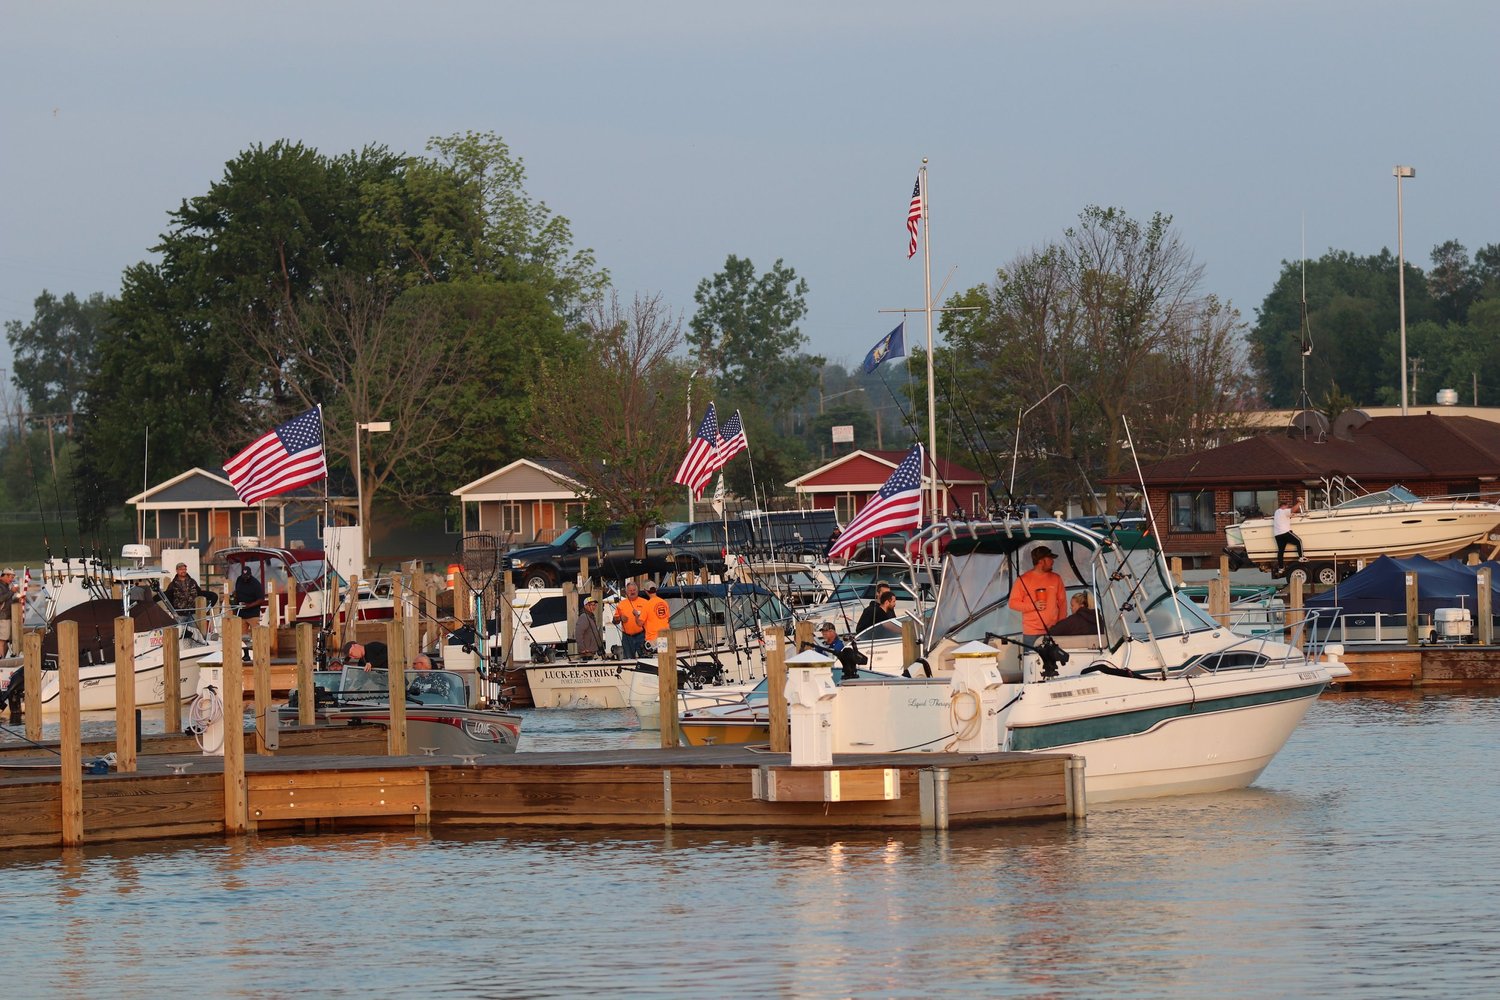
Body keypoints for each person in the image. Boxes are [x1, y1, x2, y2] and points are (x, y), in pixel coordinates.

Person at [1008, 545, 1066, 641]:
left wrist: (1060, 626)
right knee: (1031, 656)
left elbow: (1062, 603)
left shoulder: (1056, 578)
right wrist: (1033, 606)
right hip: (1031, 633)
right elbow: (1012, 603)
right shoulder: (1022, 580)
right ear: (1041, 561)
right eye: (1050, 558)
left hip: (1053, 631)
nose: (1053, 561)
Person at [612, 581, 651, 658]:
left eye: (634, 590)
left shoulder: (645, 603)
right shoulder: (621, 604)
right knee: (627, 659)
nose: (632, 592)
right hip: (627, 637)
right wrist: (620, 618)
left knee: (645, 658)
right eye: (630, 590)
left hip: (642, 635)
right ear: (626, 592)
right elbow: (614, 621)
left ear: (637, 591)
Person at [1272, 497, 1305, 571]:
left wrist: (1292, 515)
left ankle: (1281, 568)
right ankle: (1301, 557)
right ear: (1284, 506)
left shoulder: (1277, 512)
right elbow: (1292, 510)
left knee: (1281, 551)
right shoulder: (1284, 511)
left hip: (1277, 535)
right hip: (1285, 532)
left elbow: (1289, 515)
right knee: (1299, 541)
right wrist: (1300, 502)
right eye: (1287, 506)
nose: (1288, 508)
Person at [644, 583, 670, 648]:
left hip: (653, 640)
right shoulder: (664, 603)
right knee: (664, 656)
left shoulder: (647, 604)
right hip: (665, 636)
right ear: (656, 589)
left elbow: (640, 622)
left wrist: (636, 615)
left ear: (645, 591)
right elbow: (667, 618)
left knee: (657, 657)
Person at [0, 568, 18, 658]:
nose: (12, 579)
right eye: (11, 577)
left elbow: (7, 600)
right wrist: (12, 591)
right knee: (2, 639)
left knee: (5, 639)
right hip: (2, 616)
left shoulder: (6, 586)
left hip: (7, 616)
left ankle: (3, 657)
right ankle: (1, 659)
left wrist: (18, 598)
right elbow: (1, 599)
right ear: (5, 575)